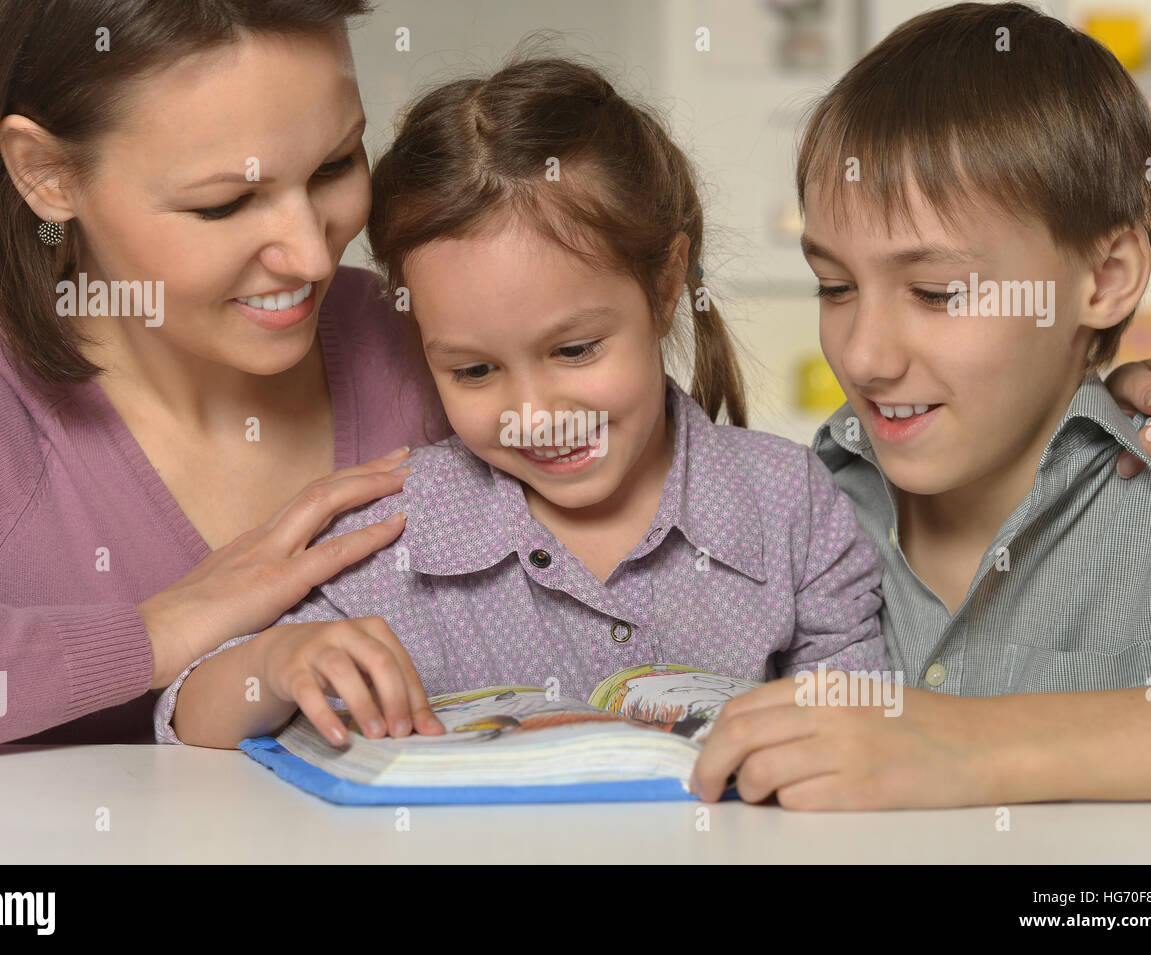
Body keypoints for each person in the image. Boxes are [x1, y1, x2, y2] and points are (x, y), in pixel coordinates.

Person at [157, 57, 888, 750]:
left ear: (666, 287)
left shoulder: (793, 506)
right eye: (476, 370)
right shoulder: (395, 531)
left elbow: (864, 726)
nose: (534, 414)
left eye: (575, 351)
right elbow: (188, 714)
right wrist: (279, 659)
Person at [0, 0, 451, 763]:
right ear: (47, 173)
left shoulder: (440, 348)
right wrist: (156, 633)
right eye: (224, 203)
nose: (313, 256)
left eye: (336, 164)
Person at [689, 1, 1151, 808]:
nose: (862, 355)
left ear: (1103, 280)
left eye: (936, 292)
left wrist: (970, 744)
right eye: (835, 286)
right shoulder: (785, 513)